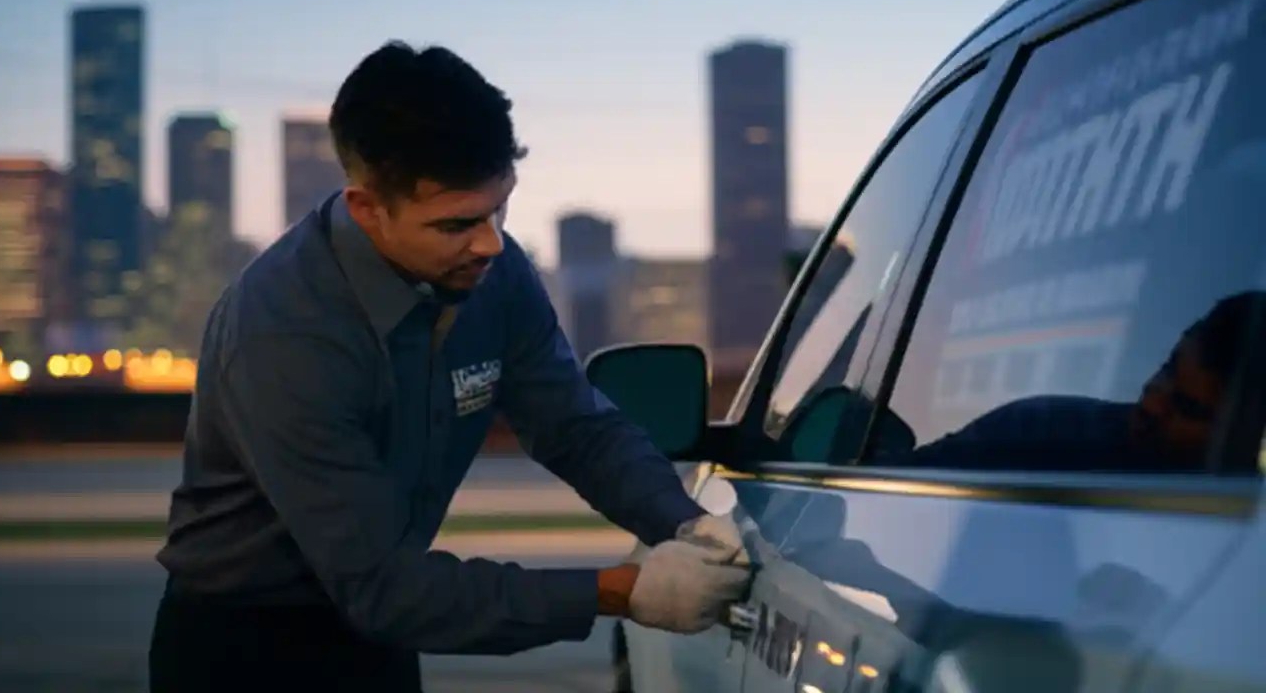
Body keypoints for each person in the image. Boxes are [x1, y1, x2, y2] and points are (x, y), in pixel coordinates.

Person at [148, 41, 748, 693]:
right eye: (457, 222)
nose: (491, 241)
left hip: (384, 633)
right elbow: (382, 586)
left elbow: (574, 426)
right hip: (244, 648)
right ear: (366, 208)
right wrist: (624, 591)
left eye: (500, 207)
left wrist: (681, 521)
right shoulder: (284, 334)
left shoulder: (493, 269)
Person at [879, 291, 1266, 473]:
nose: (1153, 401)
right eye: (1166, 370)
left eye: (1186, 407)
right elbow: (899, 484)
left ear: (1247, 433)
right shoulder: (1037, 433)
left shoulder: (1243, 529)